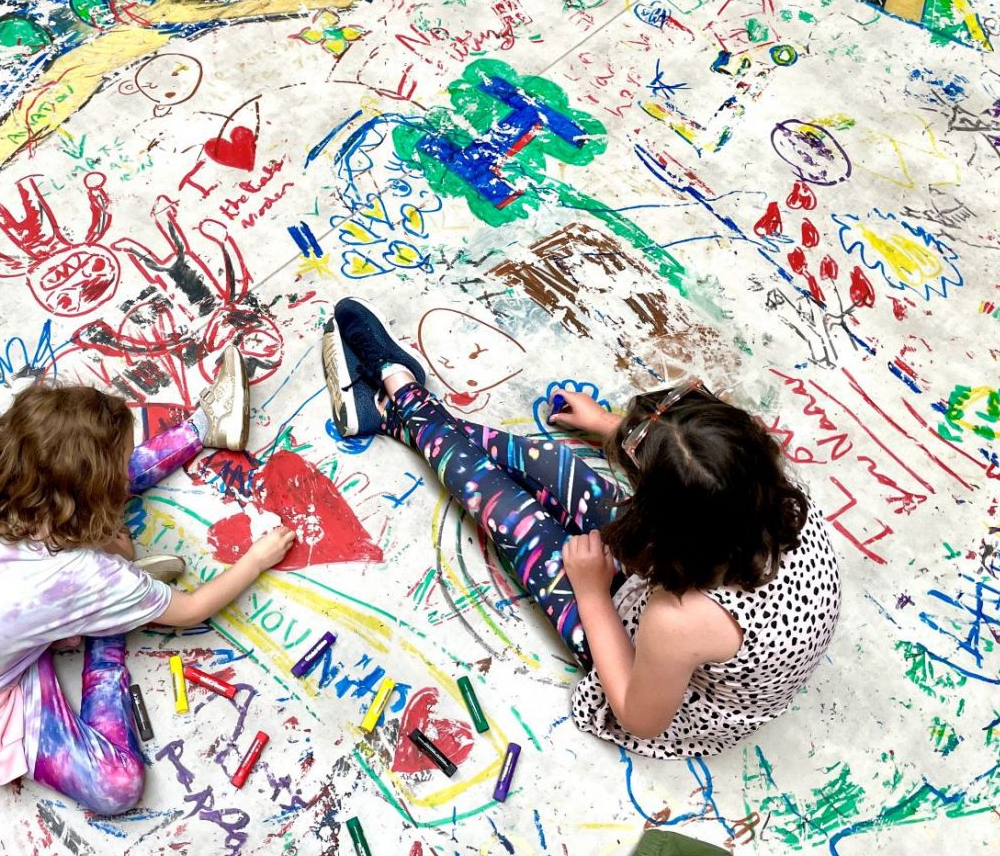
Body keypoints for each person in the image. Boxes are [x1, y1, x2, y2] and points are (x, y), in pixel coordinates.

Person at [322, 298, 839, 758]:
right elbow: (697, 466)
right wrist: (613, 429)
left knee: (511, 515)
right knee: (550, 461)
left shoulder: (677, 617)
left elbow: (639, 717)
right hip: (701, 578)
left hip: (652, 681)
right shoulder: (766, 493)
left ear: (657, 522)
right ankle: (405, 409)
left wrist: (592, 592)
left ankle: (402, 398)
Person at [0, 345, 296, 818]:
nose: (124, 470)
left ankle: (204, 427)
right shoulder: (87, 577)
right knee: (118, 786)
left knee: (72, 482)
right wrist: (256, 561)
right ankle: (106, 629)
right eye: (121, 464)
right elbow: (193, 609)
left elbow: (79, 498)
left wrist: (110, 551)